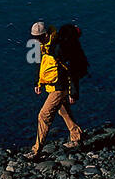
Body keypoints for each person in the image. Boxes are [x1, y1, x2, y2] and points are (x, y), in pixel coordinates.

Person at [28, 20, 84, 159]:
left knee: (43, 116)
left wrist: (72, 91)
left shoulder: (58, 47)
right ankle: (76, 138)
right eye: (35, 38)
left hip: (59, 87)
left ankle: (36, 151)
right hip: (51, 85)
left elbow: (71, 69)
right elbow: (39, 64)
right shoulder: (43, 46)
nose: (37, 40)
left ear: (46, 35)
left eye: (39, 37)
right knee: (64, 111)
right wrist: (38, 83)